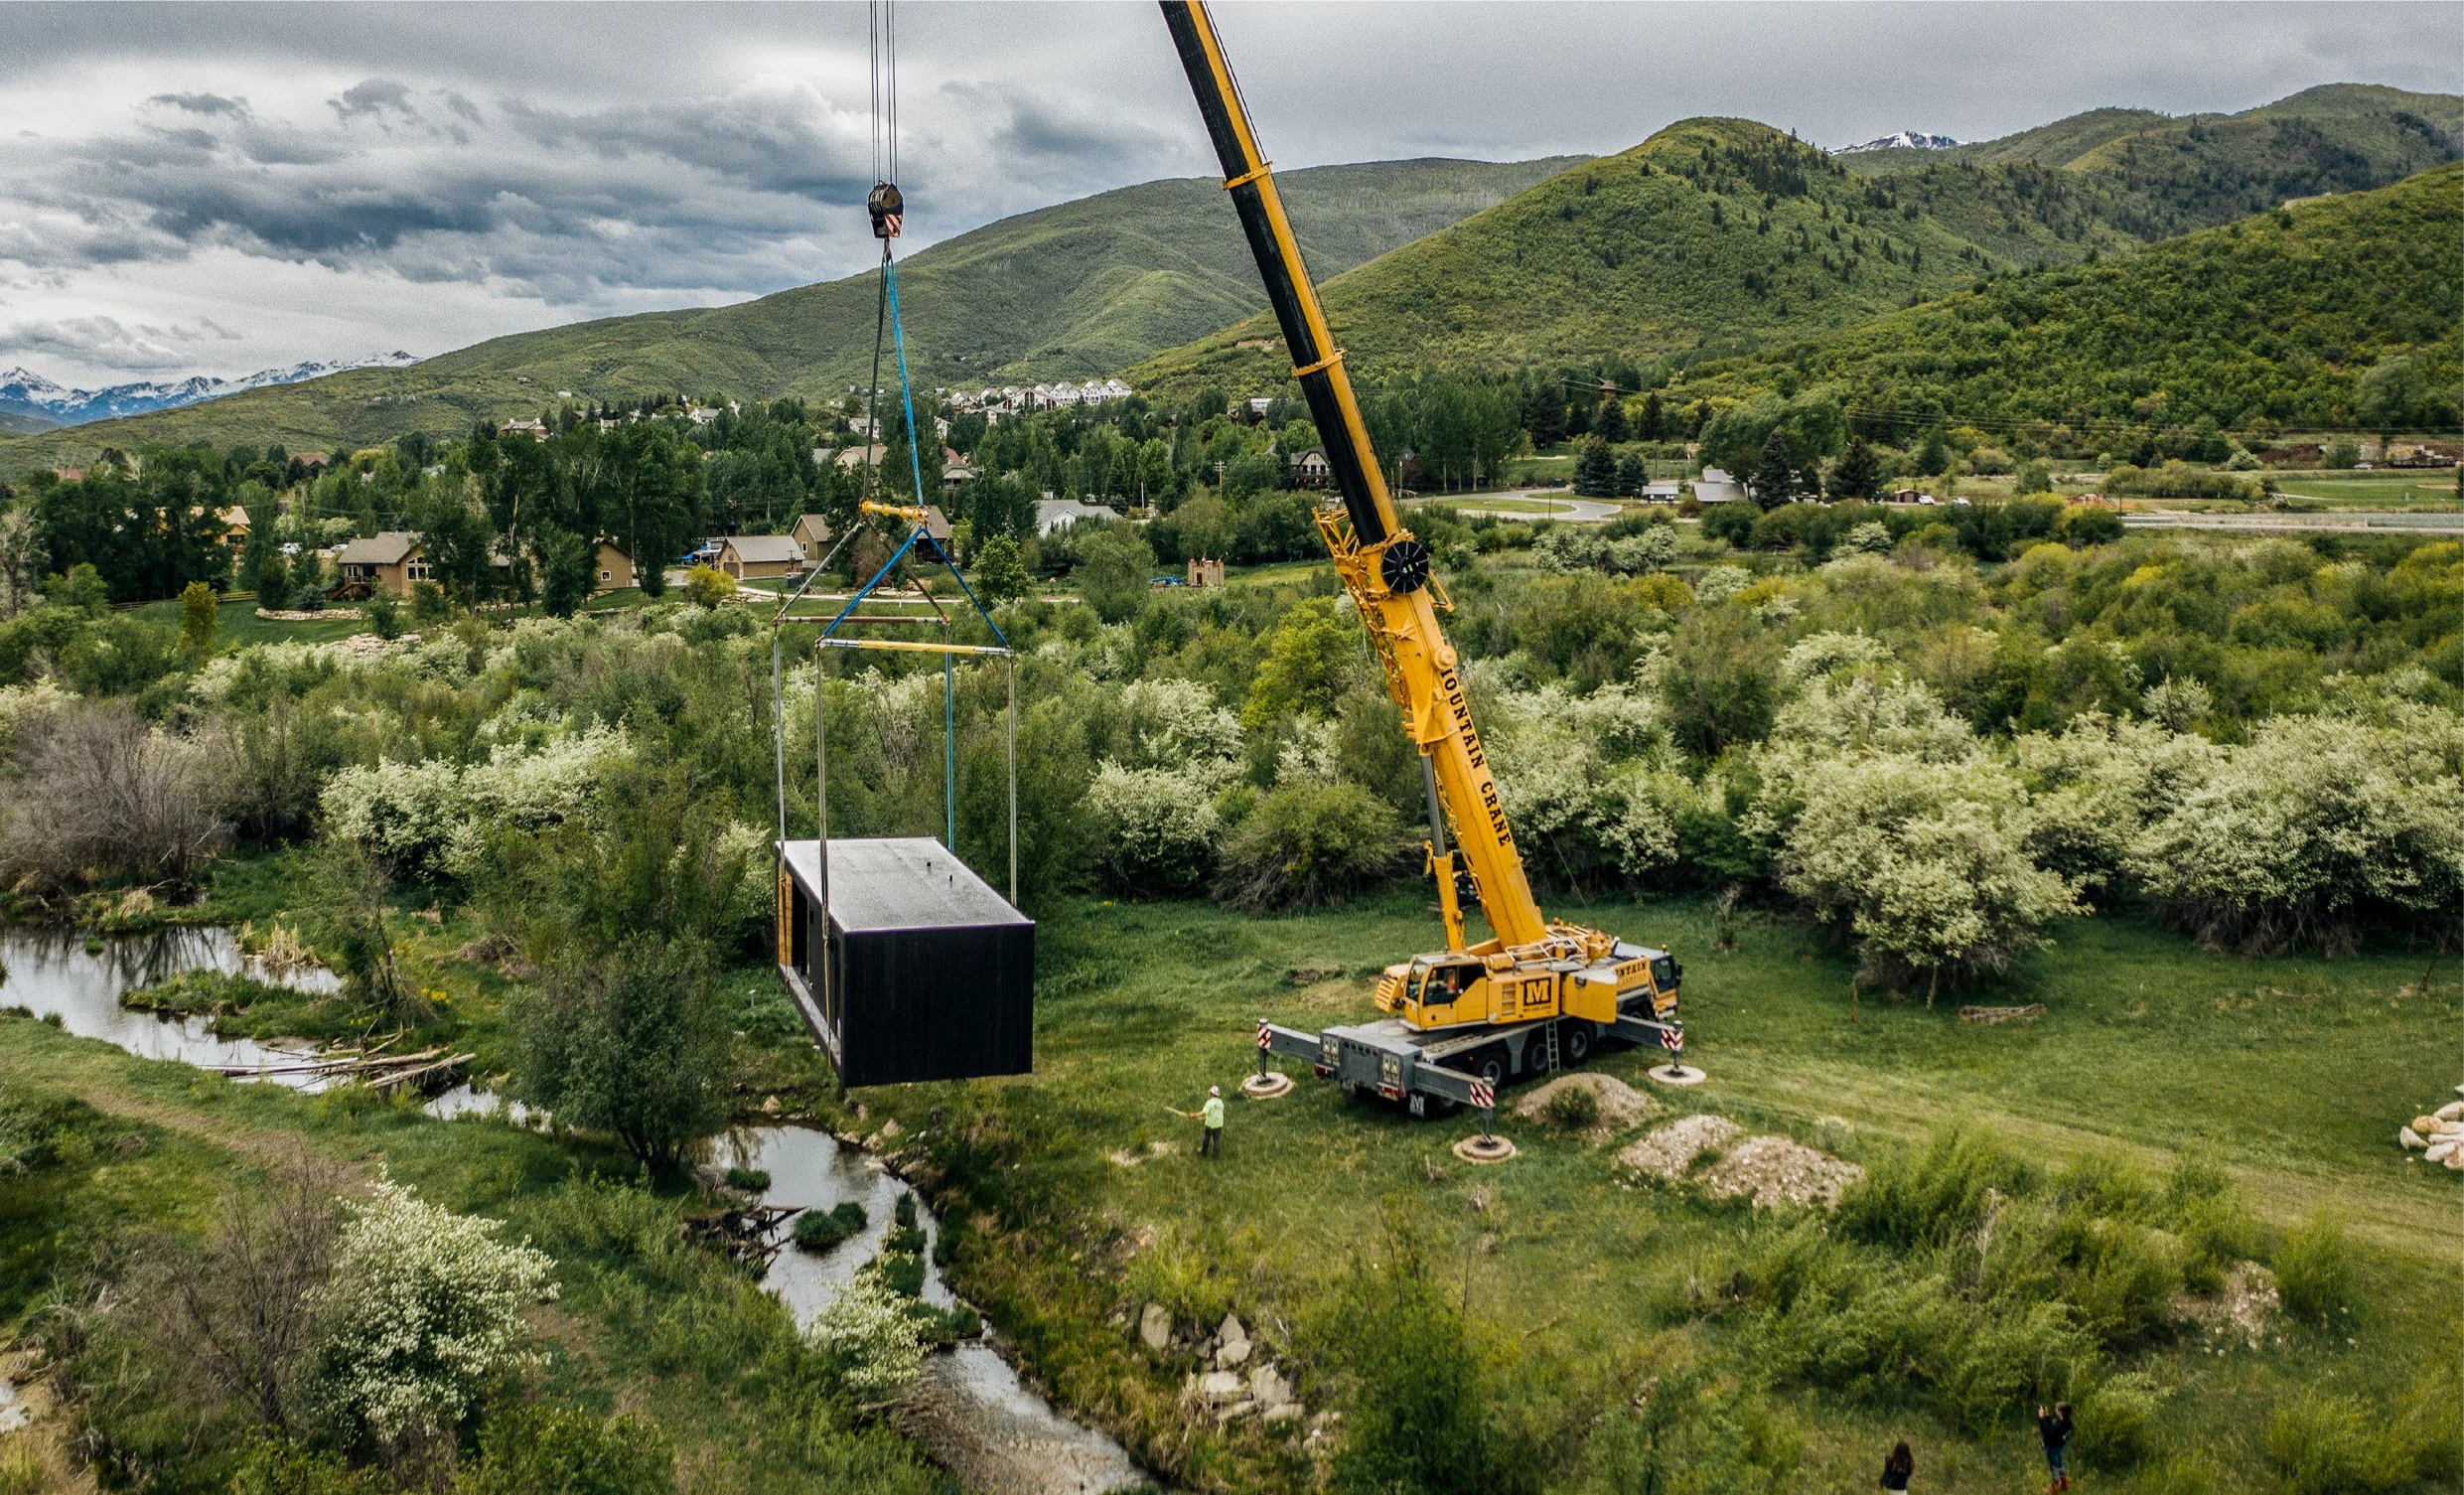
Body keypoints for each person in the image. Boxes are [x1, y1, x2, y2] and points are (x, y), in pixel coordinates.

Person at [2038, 1404, 2073, 1493]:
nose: (2055, 1410)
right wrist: (2047, 1416)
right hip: (2059, 1446)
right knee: (2060, 1464)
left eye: (2057, 1409)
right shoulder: (2066, 1421)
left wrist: (2041, 1418)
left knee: (2054, 1468)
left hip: (2052, 1448)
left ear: (2061, 1412)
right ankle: (2064, 1484)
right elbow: (2052, 1426)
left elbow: (2046, 1431)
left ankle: (2054, 1490)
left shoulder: (2059, 1425)